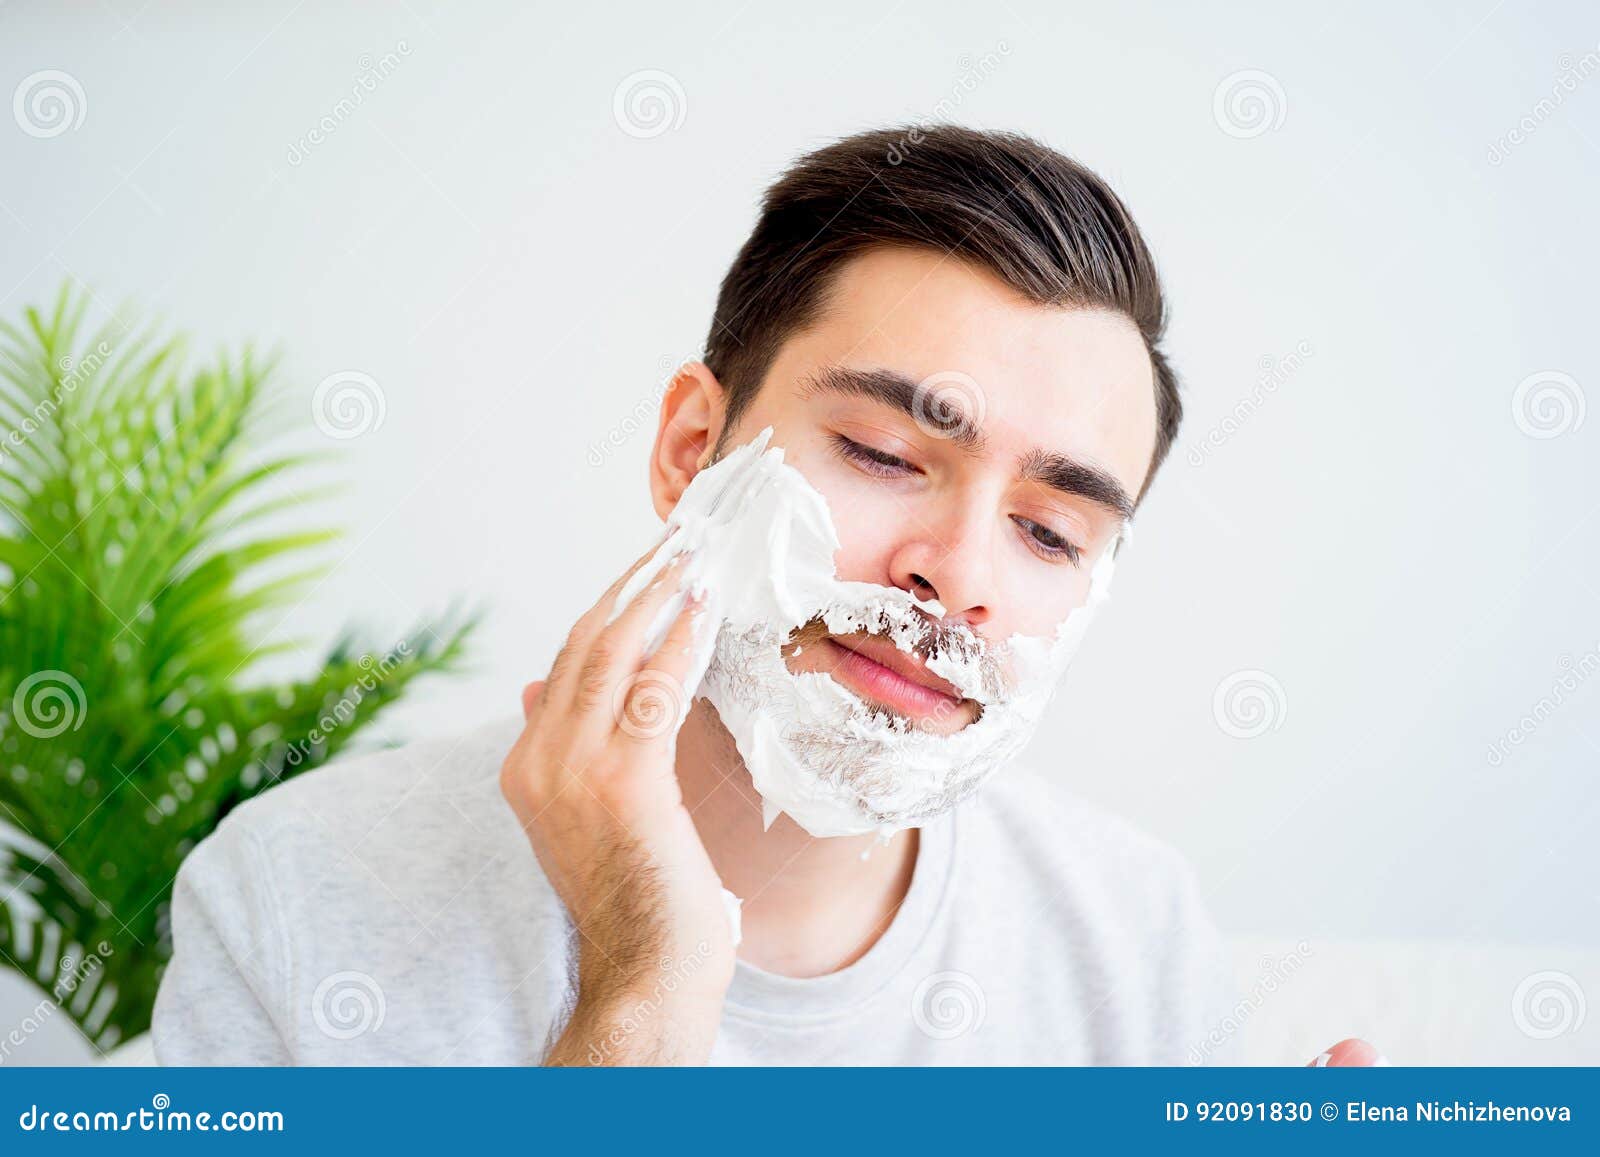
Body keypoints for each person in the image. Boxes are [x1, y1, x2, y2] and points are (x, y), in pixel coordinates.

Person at [153, 125, 1380, 1066]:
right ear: (693, 448)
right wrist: (643, 992)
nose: (956, 574)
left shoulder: (1132, 936)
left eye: (1048, 531)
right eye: (886, 455)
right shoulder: (298, 895)